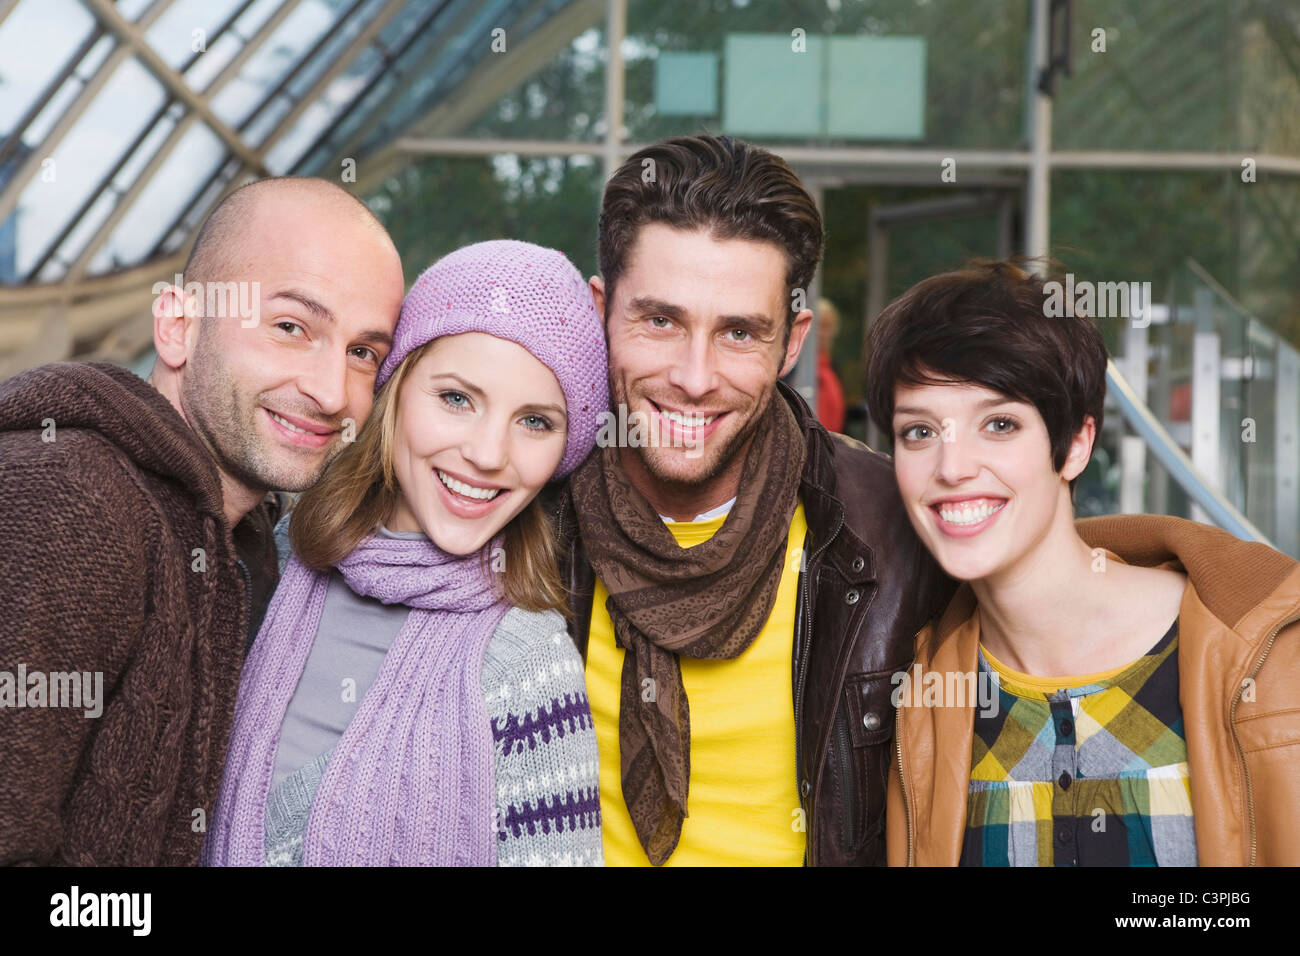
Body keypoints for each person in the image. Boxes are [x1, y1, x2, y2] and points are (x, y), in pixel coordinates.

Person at [547, 134, 953, 866]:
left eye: (738, 331)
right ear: (600, 310)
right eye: (660, 320)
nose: (694, 377)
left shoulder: (895, 530)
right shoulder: (526, 512)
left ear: (791, 342)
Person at [0, 176, 406, 865]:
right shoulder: (70, 495)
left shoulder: (250, 548)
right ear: (178, 325)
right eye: (290, 328)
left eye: (362, 352)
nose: (332, 391)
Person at [867, 260, 1300, 866]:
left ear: (1075, 445)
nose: (952, 467)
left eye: (999, 424)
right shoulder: (918, 694)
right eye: (918, 432)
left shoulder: (1269, 656)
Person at [204, 240, 606, 867]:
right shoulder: (271, 562)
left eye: (535, 421)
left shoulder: (528, 661)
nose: (488, 453)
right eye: (456, 399)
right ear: (394, 396)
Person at [815, 297, 846, 433]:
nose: (822, 334)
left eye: (827, 327)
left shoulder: (831, 367)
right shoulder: (794, 368)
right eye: (818, 326)